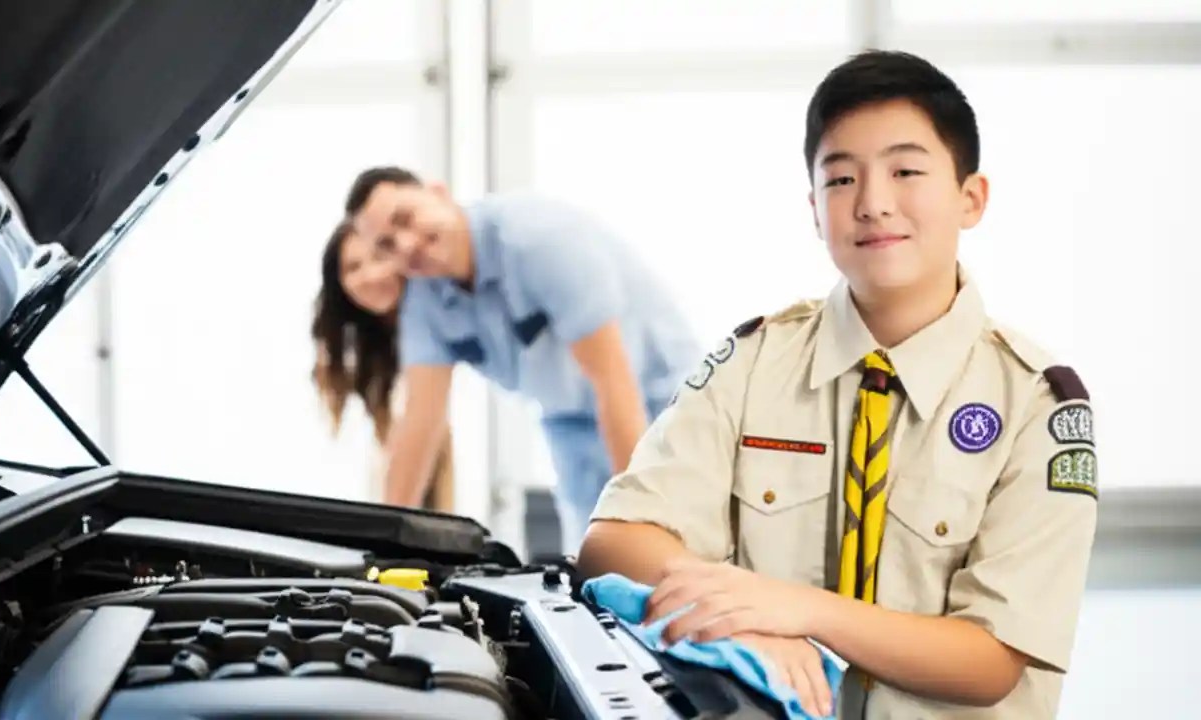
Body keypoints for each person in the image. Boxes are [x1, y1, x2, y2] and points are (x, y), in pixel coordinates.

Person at [576, 50, 1098, 719]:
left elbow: (991, 659)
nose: (873, 204)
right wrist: (749, 623)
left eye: (905, 171)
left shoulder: (1035, 402)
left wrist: (799, 610)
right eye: (842, 179)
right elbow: (615, 540)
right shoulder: (754, 362)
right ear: (815, 209)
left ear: (971, 198)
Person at [344, 167, 700, 553]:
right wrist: (380, 548)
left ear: (439, 192)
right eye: (387, 245)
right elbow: (420, 421)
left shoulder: (539, 240)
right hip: (570, 424)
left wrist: (639, 525)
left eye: (405, 218)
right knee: (601, 569)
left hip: (660, 403)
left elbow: (613, 380)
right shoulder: (425, 303)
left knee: (671, 549)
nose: (406, 244)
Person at [310, 220, 454, 512]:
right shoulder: (356, 364)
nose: (370, 275)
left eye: (379, 258)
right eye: (353, 267)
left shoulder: (443, 334)